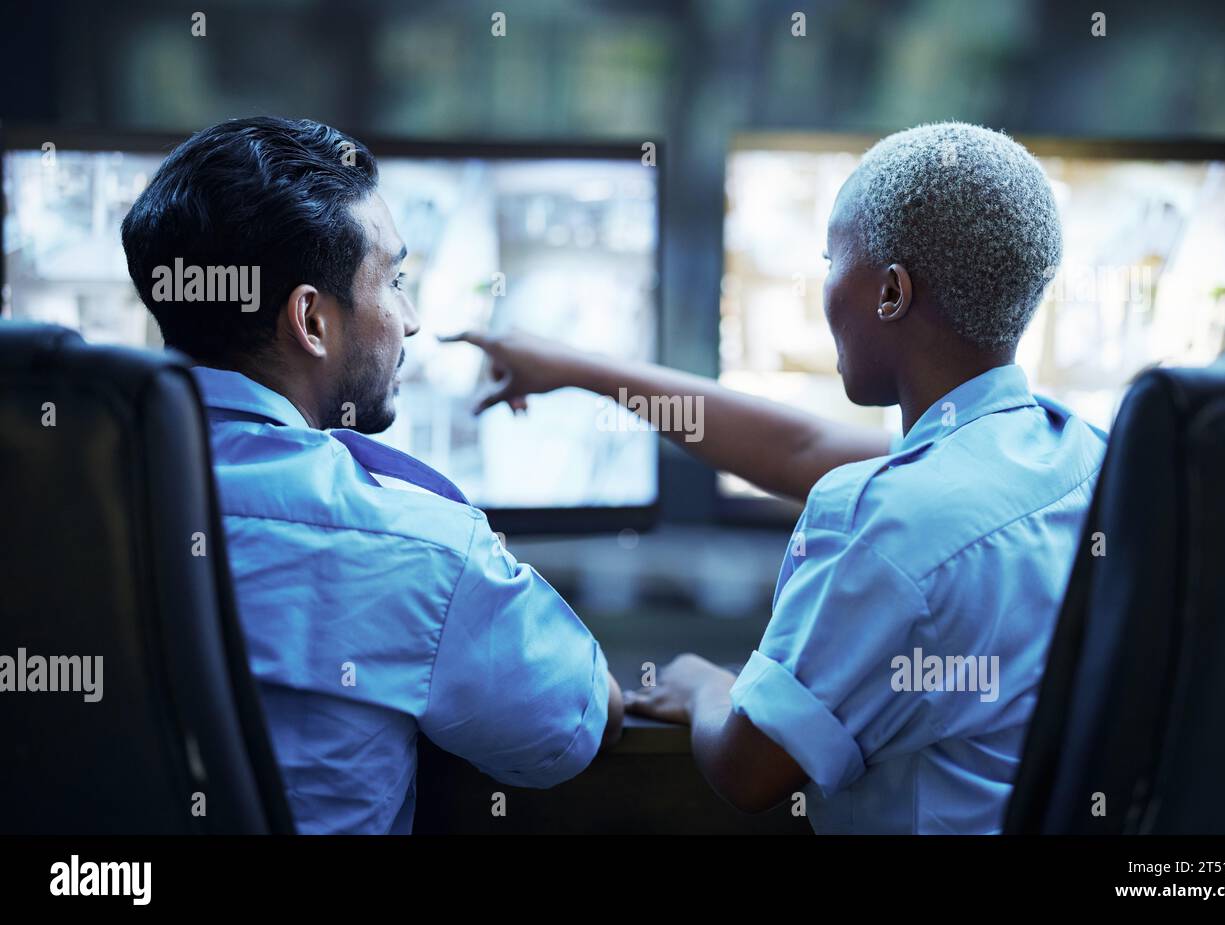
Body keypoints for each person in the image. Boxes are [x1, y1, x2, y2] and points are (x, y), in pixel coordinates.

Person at [450, 122, 1108, 834]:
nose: (823, 288)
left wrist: (705, 683)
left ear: (891, 292)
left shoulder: (885, 522)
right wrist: (580, 371)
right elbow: (801, 447)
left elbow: (748, 765)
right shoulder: (1074, 452)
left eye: (832, 261)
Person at [119, 116, 622, 834]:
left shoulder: (47, 508)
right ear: (312, 321)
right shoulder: (423, 548)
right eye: (394, 279)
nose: (410, 320)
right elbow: (576, 723)